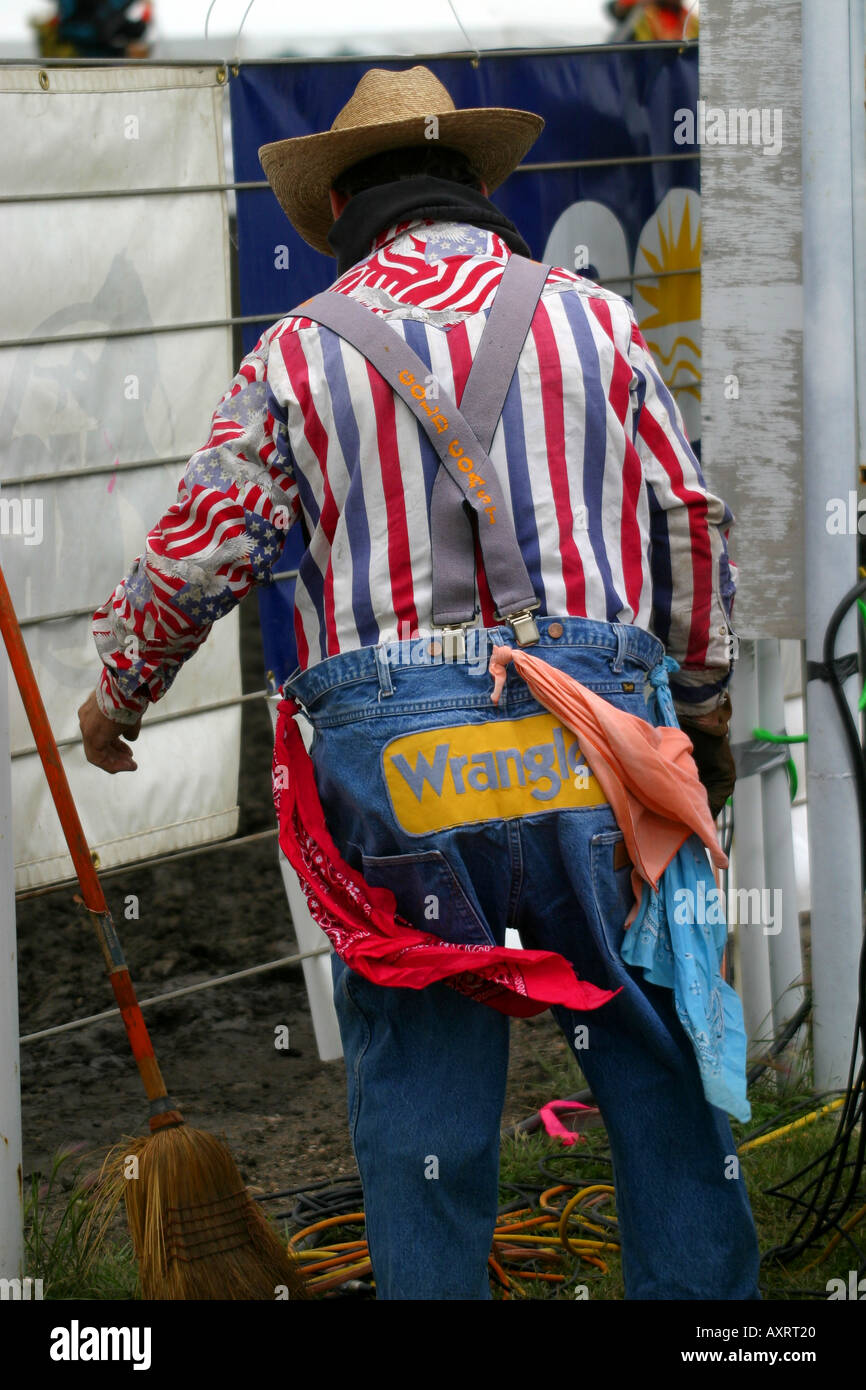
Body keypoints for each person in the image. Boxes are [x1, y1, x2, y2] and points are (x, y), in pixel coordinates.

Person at [78, 65, 758, 1301]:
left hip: (399, 771)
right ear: (478, 188)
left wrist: (118, 692)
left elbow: (200, 548)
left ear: (340, 199)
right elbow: (690, 522)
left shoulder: (295, 353)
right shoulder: (594, 322)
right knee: (658, 1068)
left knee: (422, 1095)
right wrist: (699, 706)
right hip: (597, 746)